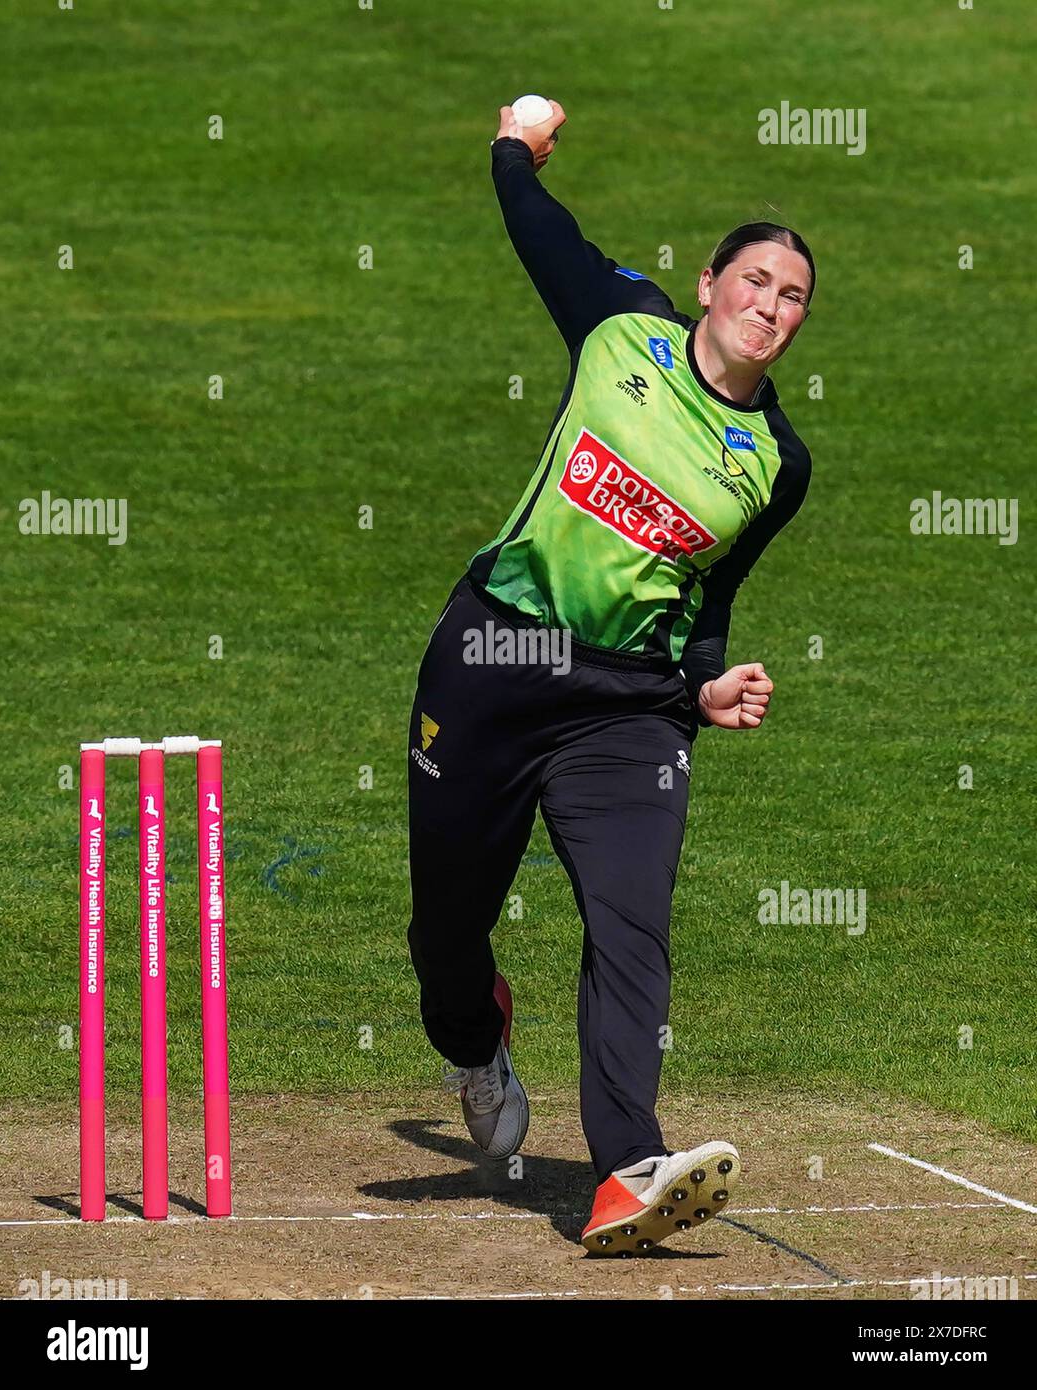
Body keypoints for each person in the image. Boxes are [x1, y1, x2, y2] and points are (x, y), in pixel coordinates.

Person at [406, 99, 815, 1257]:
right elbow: (535, 225)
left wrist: (699, 687)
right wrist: (512, 145)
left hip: (624, 706)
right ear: (704, 284)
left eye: (790, 298)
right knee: (445, 930)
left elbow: (705, 600)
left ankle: (626, 1167)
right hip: (496, 653)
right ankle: (474, 1043)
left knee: (631, 924)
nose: (769, 308)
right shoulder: (617, 326)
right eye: (753, 283)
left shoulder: (776, 465)